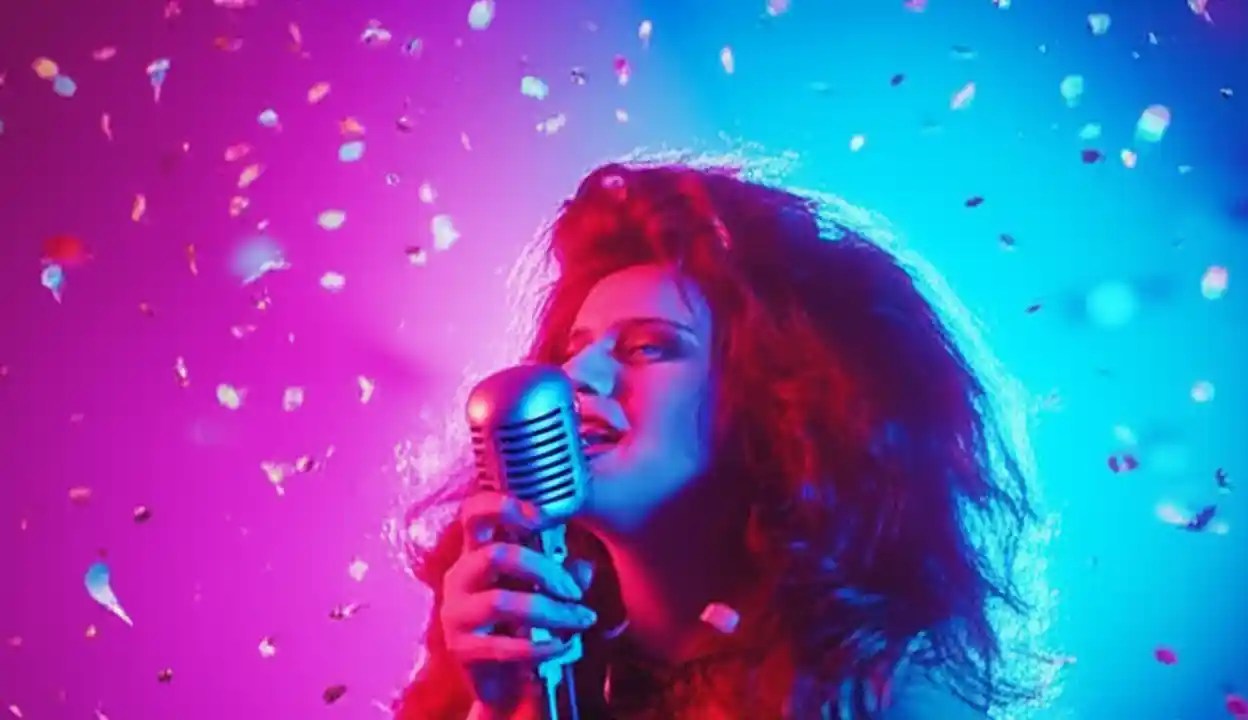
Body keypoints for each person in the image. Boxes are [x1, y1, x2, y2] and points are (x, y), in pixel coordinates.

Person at [393, 155, 1056, 719]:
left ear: (775, 401)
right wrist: (504, 706)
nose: (576, 378)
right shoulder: (550, 667)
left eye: (649, 348)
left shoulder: (889, 692)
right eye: (576, 348)